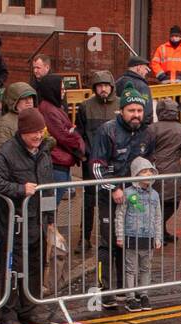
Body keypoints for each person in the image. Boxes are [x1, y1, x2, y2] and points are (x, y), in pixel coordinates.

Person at [0, 106, 56, 324]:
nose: (37, 135)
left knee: (35, 266)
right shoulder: (8, 151)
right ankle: (8, 315)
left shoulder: (43, 152)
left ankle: (29, 311)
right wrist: (19, 189)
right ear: (22, 131)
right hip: (15, 223)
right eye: (32, 131)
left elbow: (48, 187)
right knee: (13, 269)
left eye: (40, 130)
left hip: (37, 222)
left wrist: (50, 219)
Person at [92, 90, 153, 307]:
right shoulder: (107, 131)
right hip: (110, 198)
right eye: (131, 110)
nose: (136, 114)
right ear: (122, 110)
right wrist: (114, 189)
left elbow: (147, 165)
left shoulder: (146, 133)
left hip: (134, 200)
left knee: (128, 244)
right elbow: (96, 168)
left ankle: (126, 290)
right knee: (109, 243)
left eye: (139, 110)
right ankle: (106, 291)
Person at [0, 81, 38, 269]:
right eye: (24, 99)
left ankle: (1, 255)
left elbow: (47, 140)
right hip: (1, 177)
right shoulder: (0, 119)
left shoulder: (32, 118)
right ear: (14, 101)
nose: (28, 103)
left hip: (20, 181)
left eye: (31, 99)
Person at [114, 156, 163, 311]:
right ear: (135, 174)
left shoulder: (155, 195)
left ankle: (143, 294)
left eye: (150, 171)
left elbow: (158, 217)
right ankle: (130, 297)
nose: (148, 174)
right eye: (144, 171)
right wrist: (120, 236)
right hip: (131, 235)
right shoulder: (128, 193)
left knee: (146, 267)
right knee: (131, 268)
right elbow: (120, 215)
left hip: (148, 237)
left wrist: (158, 237)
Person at [79, 71, 118, 250]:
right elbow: (80, 134)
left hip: (114, 161)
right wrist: (85, 153)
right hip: (92, 161)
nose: (103, 89)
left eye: (106, 85)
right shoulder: (85, 106)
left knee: (112, 199)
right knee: (89, 201)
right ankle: (84, 237)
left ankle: (112, 236)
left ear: (111, 87)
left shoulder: (119, 105)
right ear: (94, 88)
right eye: (99, 85)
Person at [34, 74, 85, 184]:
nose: (64, 91)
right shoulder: (49, 110)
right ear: (52, 89)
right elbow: (63, 136)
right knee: (53, 197)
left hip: (61, 159)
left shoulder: (55, 107)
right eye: (61, 88)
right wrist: (79, 142)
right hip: (57, 161)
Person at [150, 98, 181, 243]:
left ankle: (159, 232)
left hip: (155, 173)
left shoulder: (152, 128)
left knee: (156, 205)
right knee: (172, 204)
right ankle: (160, 232)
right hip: (174, 174)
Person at [115, 56, 154, 127]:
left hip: (120, 126)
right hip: (137, 127)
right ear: (138, 68)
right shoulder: (142, 86)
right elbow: (147, 112)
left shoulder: (118, 82)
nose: (146, 72)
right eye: (145, 69)